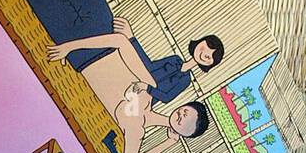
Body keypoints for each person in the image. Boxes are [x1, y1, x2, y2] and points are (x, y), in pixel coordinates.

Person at [49, 26, 225, 105]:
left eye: (209, 57)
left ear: (209, 64)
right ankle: (70, 47)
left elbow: (165, 97)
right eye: (205, 47)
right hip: (139, 79)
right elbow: (147, 66)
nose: (204, 54)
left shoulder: (185, 79)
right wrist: (131, 39)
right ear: (199, 43)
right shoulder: (175, 59)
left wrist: (147, 88)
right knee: (120, 40)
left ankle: (69, 47)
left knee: (121, 41)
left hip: (145, 98)